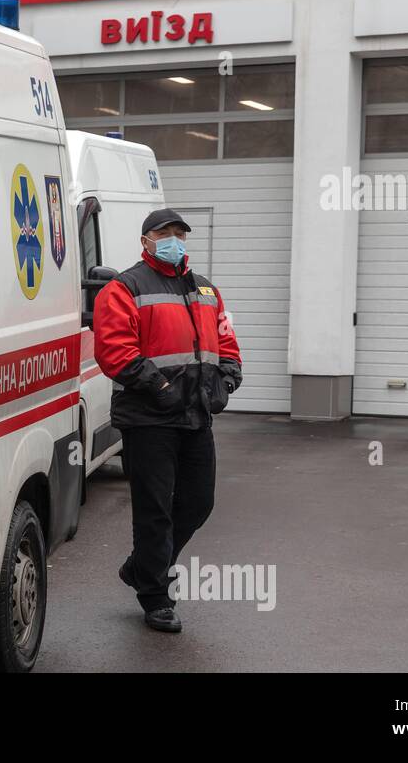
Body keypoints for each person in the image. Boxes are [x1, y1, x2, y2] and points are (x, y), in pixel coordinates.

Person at [93, 208, 242, 633]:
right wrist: (159, 387)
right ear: (146, 241)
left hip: (196, 415)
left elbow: (226, 337)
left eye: (180, 233)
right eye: (165, 232)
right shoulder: (125, 287)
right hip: (148, 418)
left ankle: (141, 567)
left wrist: (228, 378)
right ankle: (156, 596)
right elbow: (114, 350)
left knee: (198, 502)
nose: (174, 239)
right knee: (154, 510)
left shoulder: (206, 290)